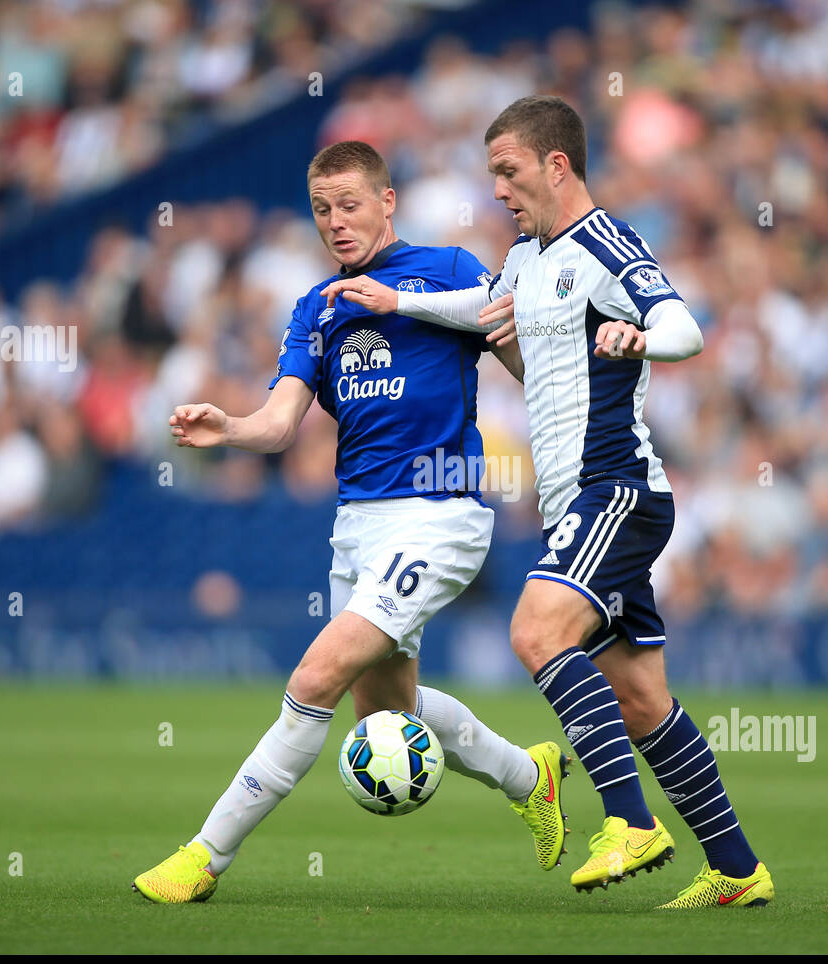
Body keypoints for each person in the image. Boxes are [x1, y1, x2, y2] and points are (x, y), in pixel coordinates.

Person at [326, 97, 774, 908]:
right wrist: (401, 303)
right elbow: (487, 308)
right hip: (578, 505)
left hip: (620, 490)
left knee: (534, 629)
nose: (497, 187)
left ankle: (629, 821)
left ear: (556, 165)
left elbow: (684, 326)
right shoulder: (531, 256)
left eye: (509, 170)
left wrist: (642, 337)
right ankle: (739, 870)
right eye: (492, 172)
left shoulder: (606, 244)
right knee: (641, 699)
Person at [133, 141, 567, 903]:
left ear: (387, 200)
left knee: (314, 677)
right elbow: (279, 423)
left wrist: (517, 336)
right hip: (359, 525)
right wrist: (227, 427)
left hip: (440, 514)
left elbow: (528, 368)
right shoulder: (317, 307)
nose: (336, 222)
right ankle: (531, 777)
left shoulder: (451, 271)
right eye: (322, 210)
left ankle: (204, 856)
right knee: (388, 709)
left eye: (350, 205)